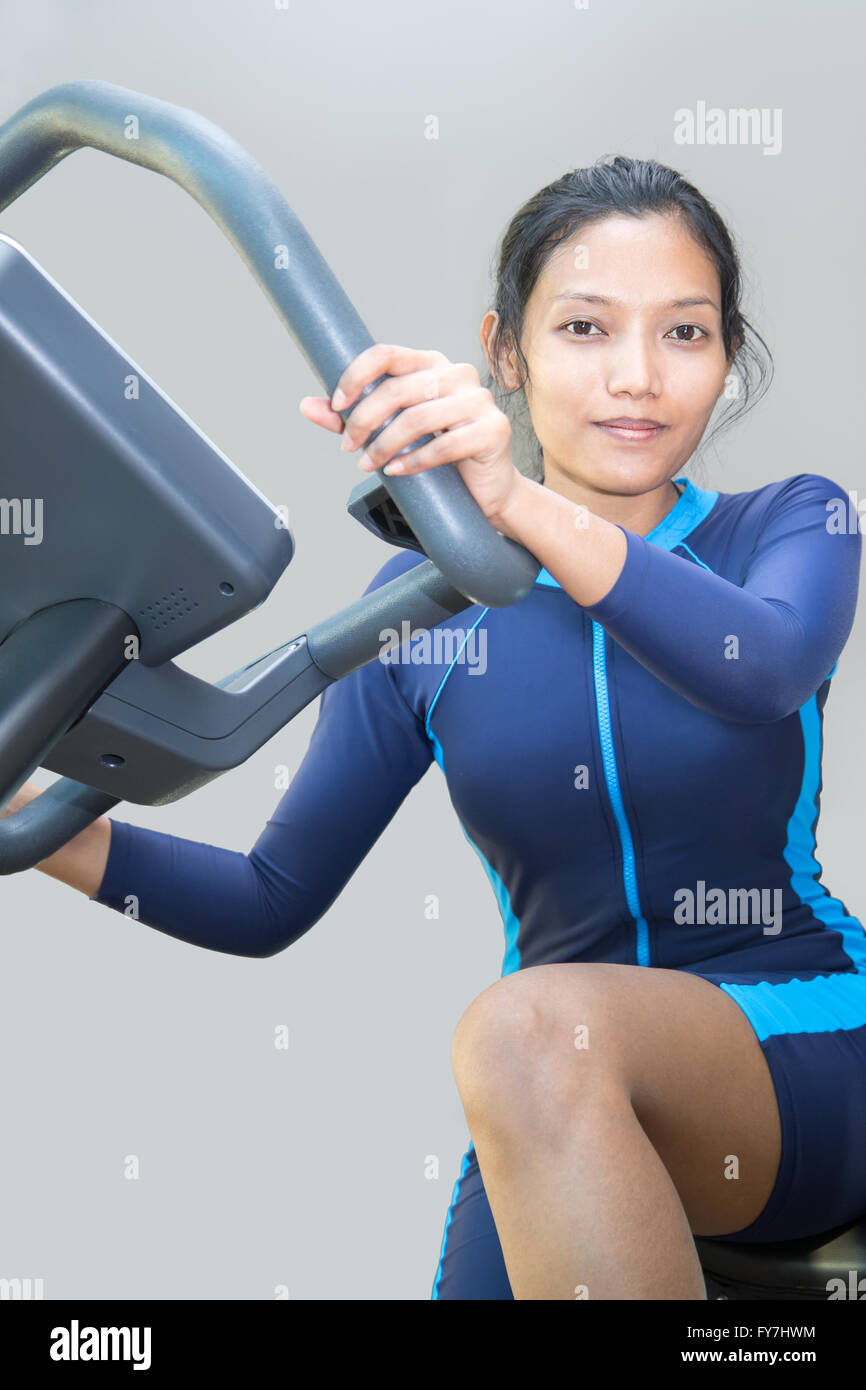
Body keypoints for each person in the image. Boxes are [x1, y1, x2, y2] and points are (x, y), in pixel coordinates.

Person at [4, 157, 865, 1301]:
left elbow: (755, 666)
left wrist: (510, 503)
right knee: (531, 1052)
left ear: (723, 353)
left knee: (528, 1031)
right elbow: (270, 897)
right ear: (504, 352)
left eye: (684, 334)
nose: (634, 378)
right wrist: (37, 828)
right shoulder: (423, 604)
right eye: (582, 327)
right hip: (548, 1079)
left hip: (796, 1044)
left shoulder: (791, 523)